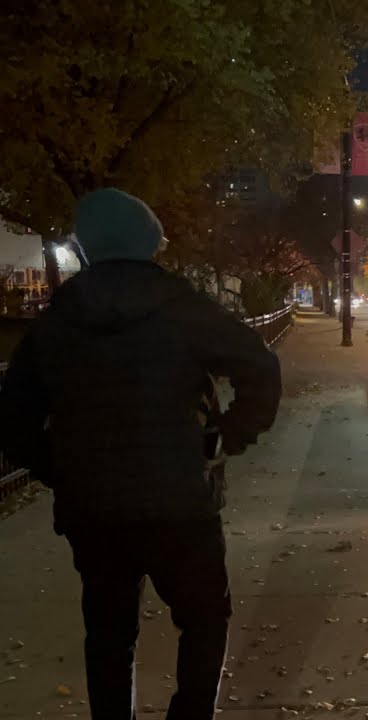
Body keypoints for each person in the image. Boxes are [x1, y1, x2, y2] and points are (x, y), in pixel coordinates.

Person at [0, 188, 282, 720]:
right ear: (149, 240)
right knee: (203, 620)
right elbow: (260, 368)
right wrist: (227, 436)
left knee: (108, 631)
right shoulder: (181, 307)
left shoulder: (57, 321)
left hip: (94, 508)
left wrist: (59, 469)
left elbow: (13, 418)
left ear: (90, 246)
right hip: (180, 500)